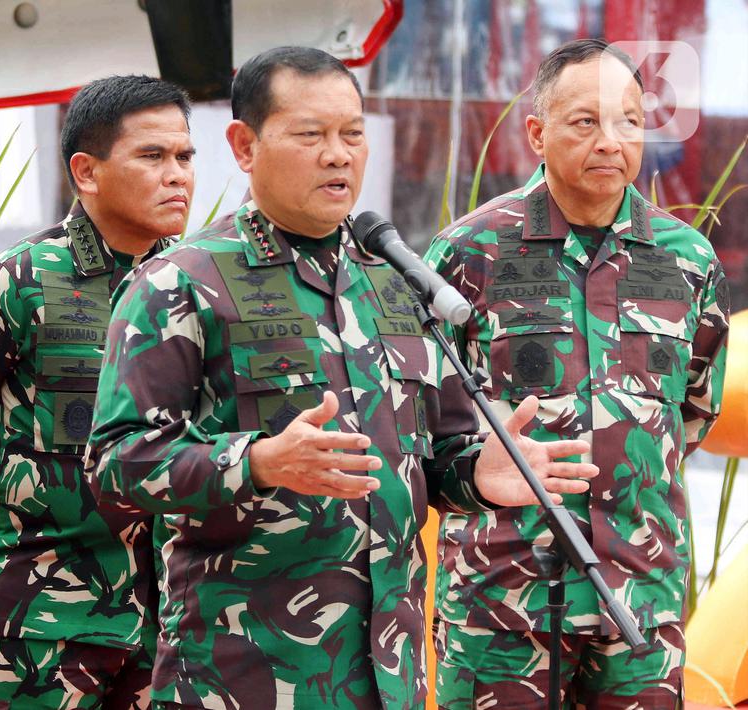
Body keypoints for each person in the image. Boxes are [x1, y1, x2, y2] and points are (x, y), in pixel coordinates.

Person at [83, 46, 599, 709]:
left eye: (351, 134)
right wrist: (259, 462)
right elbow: (115, 464)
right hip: (243, 682)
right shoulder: (180, 284)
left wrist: (476, 475)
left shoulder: (393, 287)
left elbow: (439, 454)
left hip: (389, 680)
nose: (338, 155)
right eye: (311, 135)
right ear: (244, 145)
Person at [425, 38, 730, 708]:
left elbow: (691, 410)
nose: (609, 141)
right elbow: (422, 422)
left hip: (640, 599)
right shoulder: (468, 253)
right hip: (502, 602)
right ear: (537, 132)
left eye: (626, 120)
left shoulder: (686, 259)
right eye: (584, 122)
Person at [0, 74, 194, 709]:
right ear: (86, 171)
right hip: (38, 624)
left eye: (185, 157)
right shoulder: (16, 285)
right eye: (153, 156)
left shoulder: (194, 289)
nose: (178, 176)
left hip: (171, 624)